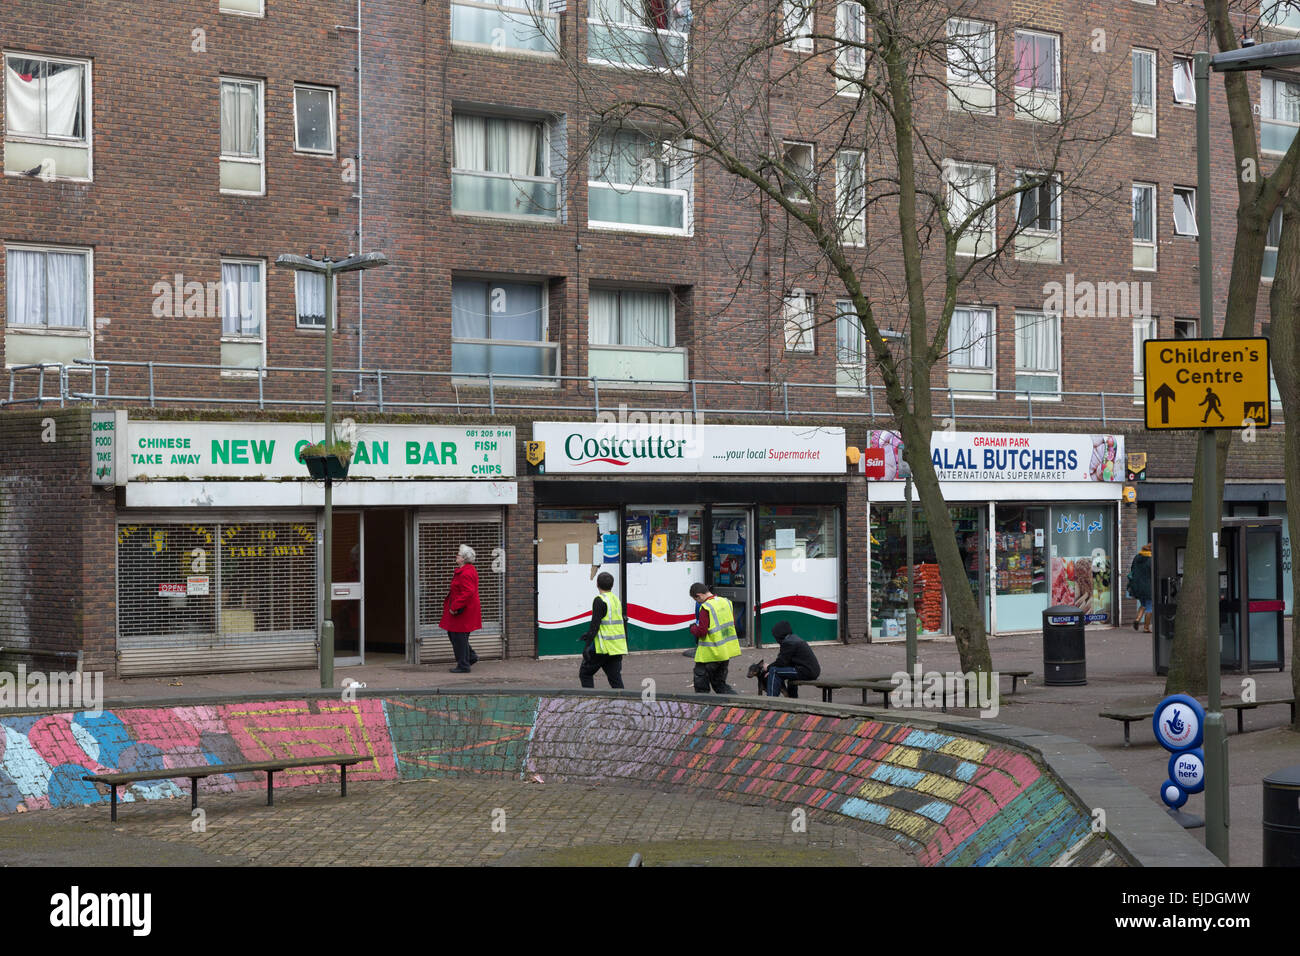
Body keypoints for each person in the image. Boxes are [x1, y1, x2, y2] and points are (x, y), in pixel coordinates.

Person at [688, 582, 741, 694]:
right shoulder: (726, 602)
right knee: (720, 685)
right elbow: (732, 623)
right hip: (724, 653)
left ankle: (703, 709)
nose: (697, 602)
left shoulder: (706, 607)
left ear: (699, 595)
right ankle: (736, 704)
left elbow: (702, 631)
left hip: (709, 655)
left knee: (701, 687)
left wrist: (692, 628)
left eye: (696, 599)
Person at [578, 572, 627, 689]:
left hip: (602, 647)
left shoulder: (599, 600)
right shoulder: (615, 600)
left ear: (597, 584)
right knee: (615, 679)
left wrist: (586, 646)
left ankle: (590, 701)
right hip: (616, 647)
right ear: (612, 585)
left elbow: (595, 624)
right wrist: (588, 634)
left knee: (585, 674)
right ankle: (622, 703)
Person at [439, 544, 482, 673]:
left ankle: (464, 665)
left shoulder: (466, 573)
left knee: (458, 637)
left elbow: (467, 592)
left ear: (463, 558)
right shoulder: (467, 570)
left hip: (463, 611)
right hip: (464, 610)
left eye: (458, 554)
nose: (456, 556)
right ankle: (470, 657)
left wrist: (455, 607)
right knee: (456, 635)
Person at [755, 621, 821, 698]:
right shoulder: (793, 639)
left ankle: (771, 701)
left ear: (779, 635)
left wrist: (769, 667)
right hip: (810, 670)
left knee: (774, 671)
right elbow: (786, 662)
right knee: (782, 673)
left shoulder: (789, 643)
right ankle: (792, 701)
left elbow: (781, 662)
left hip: (806, 671)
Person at [1128, 543, 1153, 632]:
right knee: (1149, 606)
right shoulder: (1150, 560)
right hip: (1148, 586)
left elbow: (1132, 569)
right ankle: (1146, 628)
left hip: (1137, 586)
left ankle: (1137, 619)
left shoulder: (1137, 557)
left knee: (1143, 604)